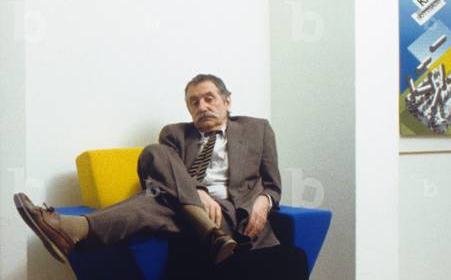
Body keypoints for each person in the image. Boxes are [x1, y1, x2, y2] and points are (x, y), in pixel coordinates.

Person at [14, 74, 281, 266]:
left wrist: (264, 201)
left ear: (227, 101)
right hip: (191, 211)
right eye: (194, 102)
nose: (202, 107)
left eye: (209, 98)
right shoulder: (175, 134)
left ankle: (70, 230)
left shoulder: (258, 129)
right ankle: (210, 235)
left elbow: (273, 185)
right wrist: (197, 192)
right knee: (154, 152)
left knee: (149, 202)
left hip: (233, 216)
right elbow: (162, 176)